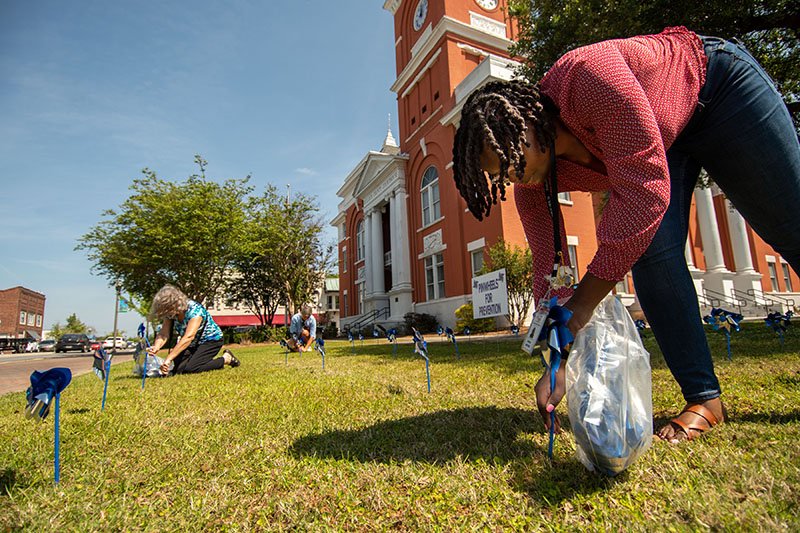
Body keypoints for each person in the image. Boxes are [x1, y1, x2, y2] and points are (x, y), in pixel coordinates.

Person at [452, 27, 800, 443]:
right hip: (664, 137)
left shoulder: (587, 77)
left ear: (528, 119)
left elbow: (642, 194)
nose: (512, 175)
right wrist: (556, 363)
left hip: (716, 89)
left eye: (511, 156)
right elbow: (553, 274)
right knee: (651, 251)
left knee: (789, 222)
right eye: (500, 174)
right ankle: (704, 398)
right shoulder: (533, 188)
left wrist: (582, 307)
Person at [147, 284, 240, 374]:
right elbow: (163, 334)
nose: (166, 314)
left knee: (191, 368)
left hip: (211, 340)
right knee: (177, 370)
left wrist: (169, 358)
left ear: (173, 304)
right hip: (193, 343)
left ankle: (226, 359)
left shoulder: (195, 311)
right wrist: (156, 346)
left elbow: (189, 337)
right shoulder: (171, 314)